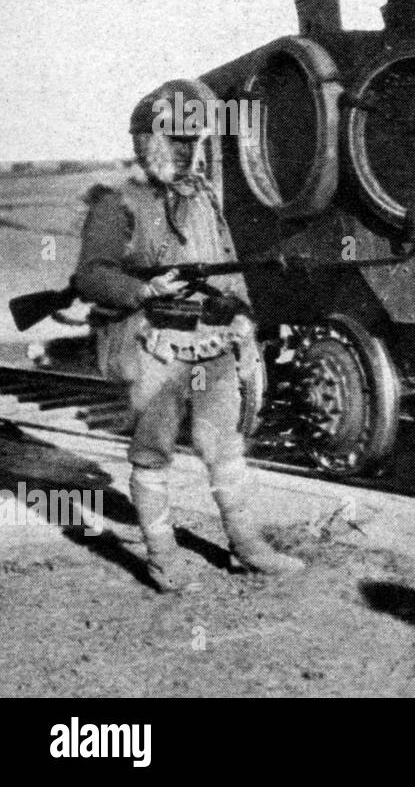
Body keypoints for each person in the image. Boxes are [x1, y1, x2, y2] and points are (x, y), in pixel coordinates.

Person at [74, 84, 304, 592]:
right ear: (144, 140)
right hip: (151, 345)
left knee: (224, 448)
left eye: (191, 139)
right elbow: (90, 275)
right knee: (152, 453)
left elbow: (227, 264)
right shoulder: (117, 204)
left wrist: (243, 320)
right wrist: (143, 287)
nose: (184, 148)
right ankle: (162, 560)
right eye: (173, 137)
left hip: (210, 343)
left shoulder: (202, 196)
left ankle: (247, 547)